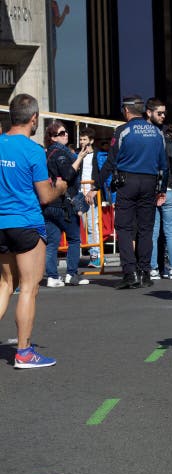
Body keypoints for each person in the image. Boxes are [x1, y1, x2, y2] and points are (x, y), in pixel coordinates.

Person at [0, 93, 68, 368]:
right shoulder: (32, 151)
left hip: (1, 223)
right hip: (26, 223)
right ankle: (25, 352)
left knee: (5, 284)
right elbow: (45, 196)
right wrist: (61, 187)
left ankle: (24, 350)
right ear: (34, 118)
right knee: (29, 287)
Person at [98, 95, 168, 289]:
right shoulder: (157, 133)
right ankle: (145, 272)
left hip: (127, 182)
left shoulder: (122, 131)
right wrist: (162, 189)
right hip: (149, 182)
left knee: (124, 228)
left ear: (126, 111)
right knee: (146, 228)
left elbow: (110, 162)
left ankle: (130, 272)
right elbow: (165, 165)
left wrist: (96, 185)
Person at [43, 120, 91, 287]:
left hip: (48, 203)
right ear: (53, 137)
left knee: (52, 242)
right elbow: (69, 174)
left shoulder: (46, 153)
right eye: (61, 133)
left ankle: (52, 277)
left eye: (66, 132)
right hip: (63, 204)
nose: (66, 135)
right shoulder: (60, 153)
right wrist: (79, 158)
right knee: (74, 239)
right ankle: (71, 274)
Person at [147, 100, 172, 281]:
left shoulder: (150, 141)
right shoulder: (170, 142)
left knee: (153, 231)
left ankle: (153, 268)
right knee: (170, 231)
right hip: (171, 189)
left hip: (153, 188)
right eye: (160, 113)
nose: (163, 116)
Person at [78, 128, 102, 267]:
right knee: (85, 226)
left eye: (85, 139)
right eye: (81, 139)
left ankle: (96, 256)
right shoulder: (78, 155)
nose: (82, 142)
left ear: (91, 141)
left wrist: (95, 190)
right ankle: (94, 254)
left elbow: (100, 175)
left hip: (92, 192)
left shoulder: (97, 155)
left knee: (93, 226)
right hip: (80, 193)